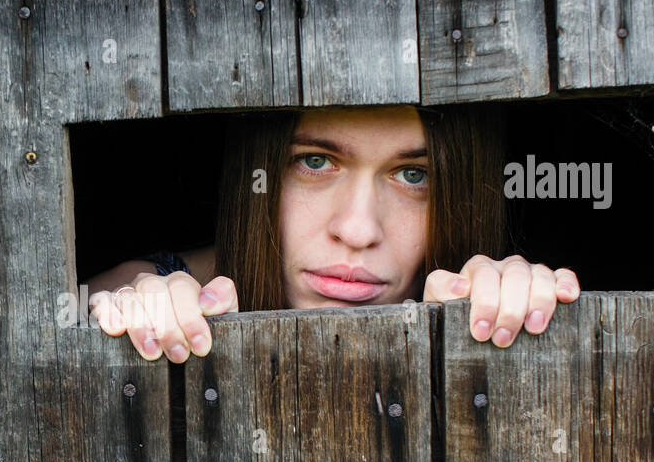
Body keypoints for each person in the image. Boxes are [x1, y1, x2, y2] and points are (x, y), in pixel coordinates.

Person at [86, 104, 580, 359]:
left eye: (414, 174)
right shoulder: (162, 276)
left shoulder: (471, 287)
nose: (358, 230)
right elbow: (90, 300)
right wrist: (140, 309)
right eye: (315, 162)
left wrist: (513, 303)